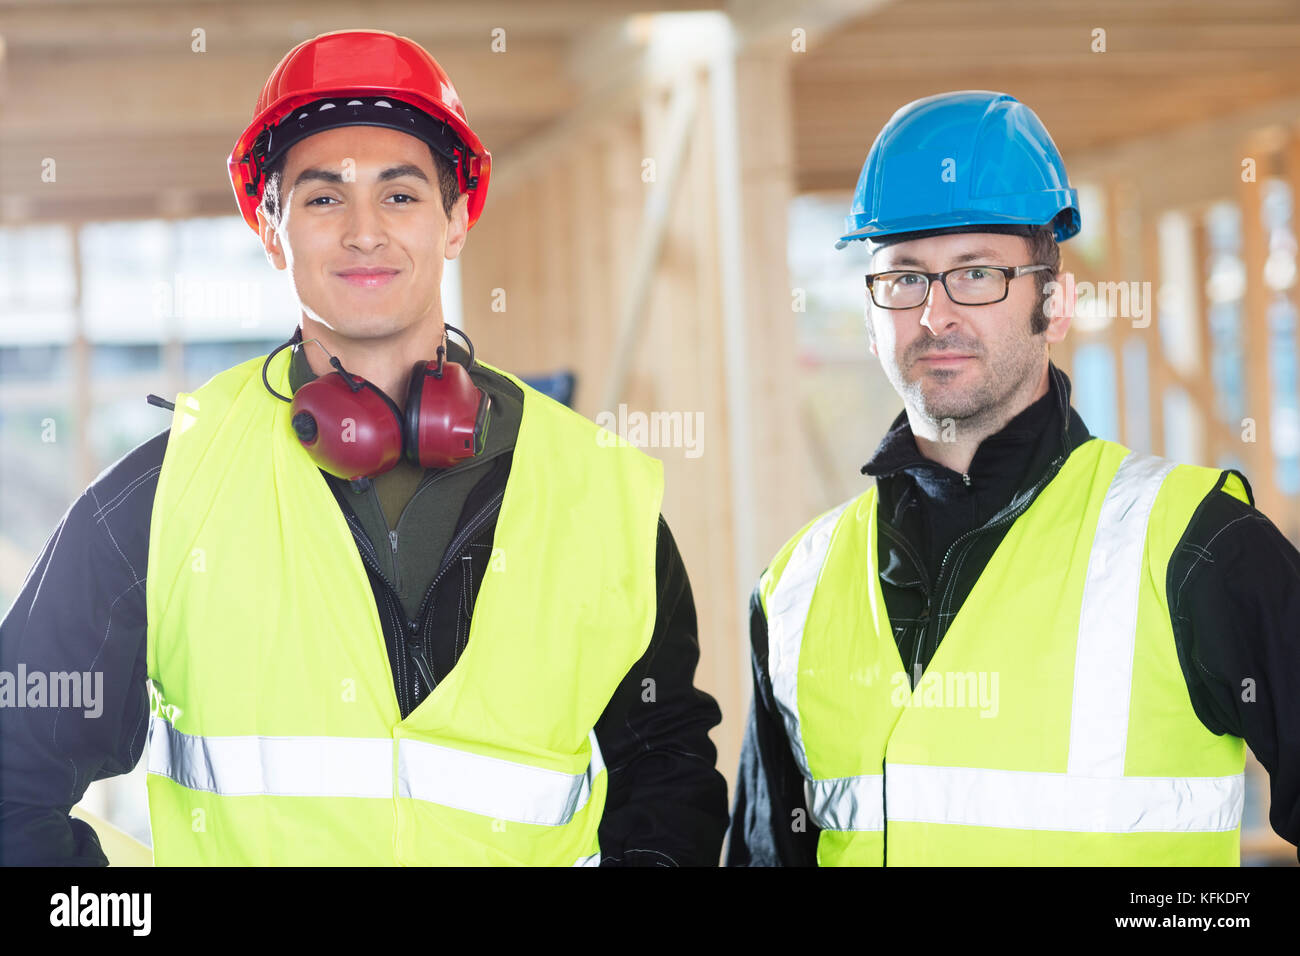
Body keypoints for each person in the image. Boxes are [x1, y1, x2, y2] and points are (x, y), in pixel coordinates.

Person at [0, 28, 727, 867]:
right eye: (321, 199)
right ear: (271, 228)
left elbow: (669, 766)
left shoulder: (597, 491)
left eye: (401, 195)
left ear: (456, 220)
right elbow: (14, 782)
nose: (364, 232)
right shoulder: (163, 497)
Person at [726, 90, 1300, 866]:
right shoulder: (795, 587)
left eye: (977, 274)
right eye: (903, 279)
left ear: (1054, 303)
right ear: (870, 315)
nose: (935, 316)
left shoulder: (1194, 546)